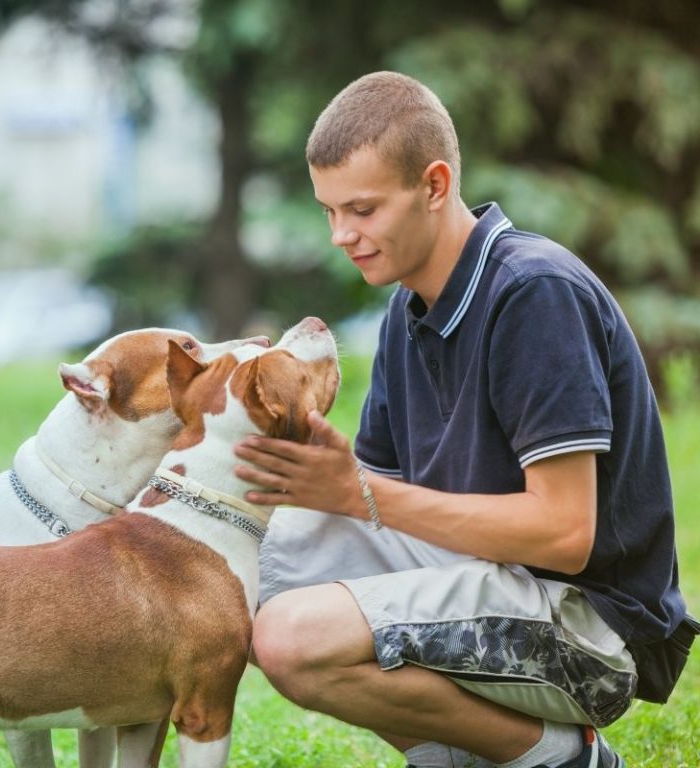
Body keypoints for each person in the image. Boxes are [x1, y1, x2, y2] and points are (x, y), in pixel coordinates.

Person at [233, 71, 695, 768]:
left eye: (361, 209)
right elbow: (374, 513)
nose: (341, 235)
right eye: (329, 211)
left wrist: (356, 492)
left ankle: (565, 760)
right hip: (483, 579)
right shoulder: (405, 310)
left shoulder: (535, 293)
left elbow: (566, 535)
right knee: (242, 564)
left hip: (594, 631)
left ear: (436, 185)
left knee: (292, 636)